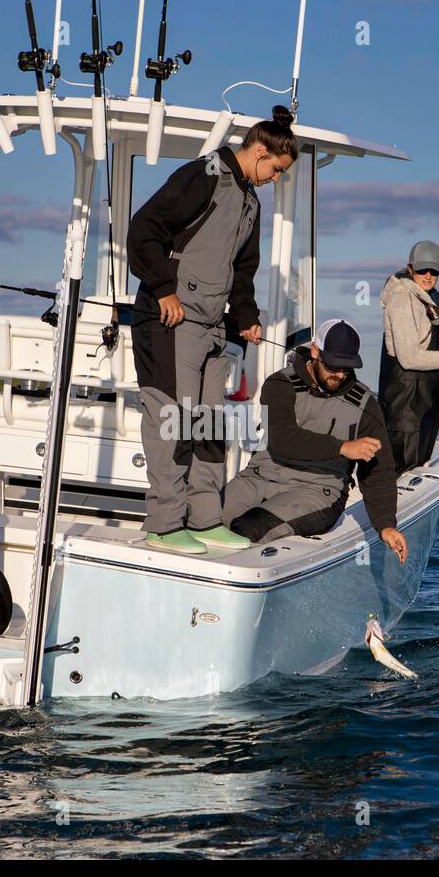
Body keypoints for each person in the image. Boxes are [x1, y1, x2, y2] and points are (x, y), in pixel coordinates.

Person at [127, 106, 298, 555]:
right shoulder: (204, 175)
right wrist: (164, 289)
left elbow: (244, 272)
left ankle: (203, 519)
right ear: (259, 151)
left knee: (207, 425)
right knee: (172, 423)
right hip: (169, 321)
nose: (275, 180)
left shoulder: (250, 203)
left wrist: (247, 317)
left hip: (212, 328)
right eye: (276, 170)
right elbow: (144, 229)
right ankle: (164, 525)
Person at [222, 319, 409, 564]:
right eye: (333, 366)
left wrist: (386, 525)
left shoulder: (366, 406)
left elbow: (379, 471)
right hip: (260, 477)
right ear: (315, 351)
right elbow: (282, 438)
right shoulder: (279, 384)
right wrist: (341, 447)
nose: (340, 374)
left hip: (318, 490)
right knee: (203, 520)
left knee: (246, 528)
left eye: (347, 367)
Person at [378, 240, 439, 476]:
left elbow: (427, 354)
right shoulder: (402, 297)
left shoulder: (428, 300)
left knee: (415, 469)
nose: (428, 275)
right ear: (410, 268)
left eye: (434, 271)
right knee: (399, 472)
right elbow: (410, 359)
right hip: (405, 411)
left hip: (424, 408)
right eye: (422, 269)